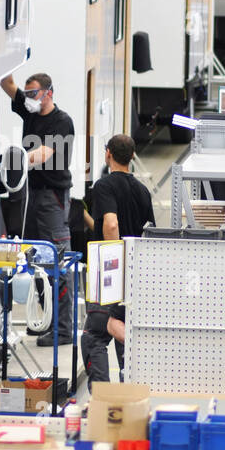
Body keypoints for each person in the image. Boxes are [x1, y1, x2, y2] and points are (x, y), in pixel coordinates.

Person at [1, 71, 75, 348]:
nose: (29, 98)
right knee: (35, 259)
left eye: (34, 94)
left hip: (52, 198)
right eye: (28, 94)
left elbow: (44, 153)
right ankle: (48, 322)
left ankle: (64, 328)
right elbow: (6, 84)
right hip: (30, 196)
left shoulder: (62, 121)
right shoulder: (30, 110)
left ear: (48, 93)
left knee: (57, 260)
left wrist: (16, 158)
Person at [81, 134, 155, 388]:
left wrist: (113, 262)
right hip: (137, 273)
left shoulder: (104, 186)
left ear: (108, 154)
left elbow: (111, 224)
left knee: (95, 336)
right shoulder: (143, 192)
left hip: (111, 273)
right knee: (125, 335)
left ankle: (102, 398)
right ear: (132, 157)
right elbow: (150, 234)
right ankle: (128, 397)